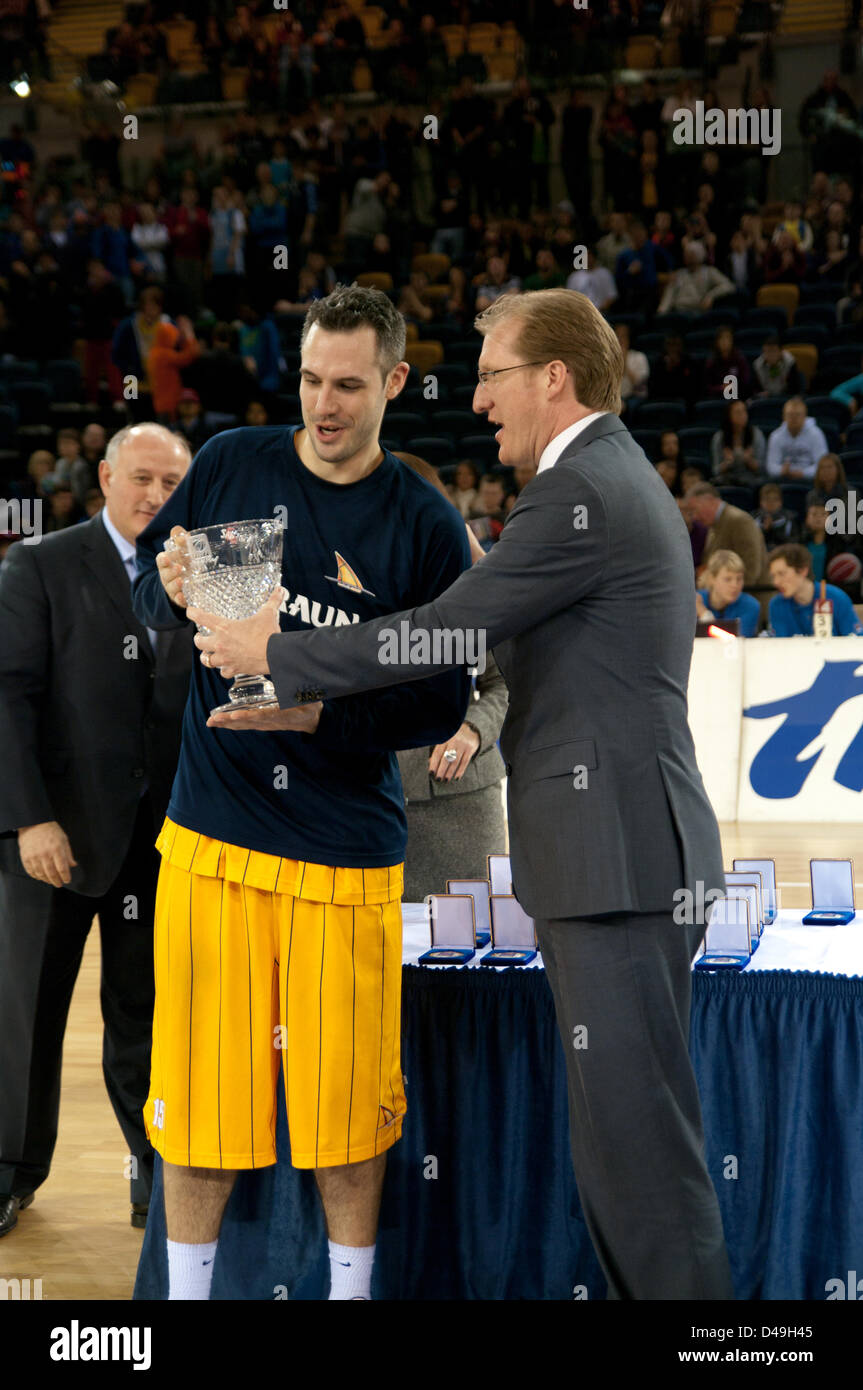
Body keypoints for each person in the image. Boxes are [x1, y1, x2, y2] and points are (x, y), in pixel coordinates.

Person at [191, 287, 735, 1301]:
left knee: (642, 1159)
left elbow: (441, 632)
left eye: (489, 375)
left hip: (617, 863)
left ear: (552, 378)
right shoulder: (599, 482)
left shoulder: (581, 496)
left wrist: (277, 650)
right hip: (612, 858)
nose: (476, 399)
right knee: (626, 1151)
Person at [131, 285, 471, 1302]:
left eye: (349, 386)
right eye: (312, 381)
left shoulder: (424, 523)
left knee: (346, 1121)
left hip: (343, 854)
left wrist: (318, 711)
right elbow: (155, 601)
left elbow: (440, 699)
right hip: (211, 840)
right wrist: (173, 583)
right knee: (198, 1113)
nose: (323, 405)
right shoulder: (234, 458)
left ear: (395, 383)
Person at [0, 424, 194, 1238]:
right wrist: (29, 819)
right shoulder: (39, 563)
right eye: (142, 478)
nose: (155, 496)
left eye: (171, 485)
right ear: (105, 477)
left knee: (147, 1014)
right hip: (56, 837)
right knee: (26, 1012)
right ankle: (12, 1172)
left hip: (163, 844)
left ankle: (152, 1172)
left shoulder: (203, 573)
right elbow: (6, 696)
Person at [768, 544, 863, 635]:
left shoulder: (836, 598)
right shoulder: (776, 604)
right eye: (773, 576)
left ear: (803, 571)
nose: (776, 582)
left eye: (781, 574)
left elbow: (855, 641)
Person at [687, 482, 769, 587]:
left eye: (695, 509)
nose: (694, 517)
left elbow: (751, 569)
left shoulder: (739, 520)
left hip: (750, 597)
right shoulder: (713, 524)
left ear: (710, 501)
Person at [695, 550, 760, 636]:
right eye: (727, 579)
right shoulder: (695, 601)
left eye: (739, 579)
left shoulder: (750, 605)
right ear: (712, 579)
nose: (734, 585)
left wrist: (705, 615)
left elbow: (734, 641)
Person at [764, 397, 829, 481]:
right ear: (784, 417)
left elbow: (823, 465)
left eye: (798, 414)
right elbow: (771, 466)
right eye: (790, 415)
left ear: (805, 416)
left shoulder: (816, 434)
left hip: (809, 481)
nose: (794, 418)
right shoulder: (776, 436)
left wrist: (803, 473)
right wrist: (782, 471)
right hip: (783, 479)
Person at [710, 400, 766, 487]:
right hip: (727, 479)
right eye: (738, 412)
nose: (743, 415)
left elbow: (762, 469)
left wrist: (749, 461)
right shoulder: (719, 437)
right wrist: (727, 463)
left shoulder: (756, 434)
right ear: (729, 416)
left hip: (750, 479)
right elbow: (715, 470)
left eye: (744, 411)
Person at [752, 482, 798, 549]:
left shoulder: (790, 518)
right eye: (767, 499)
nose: (770, 503)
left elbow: (794, 542)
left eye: (775, 499)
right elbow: (750, 541)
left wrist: (773, 529)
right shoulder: (752, 518)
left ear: (780, 502)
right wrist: (765, 530)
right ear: (761, 502)